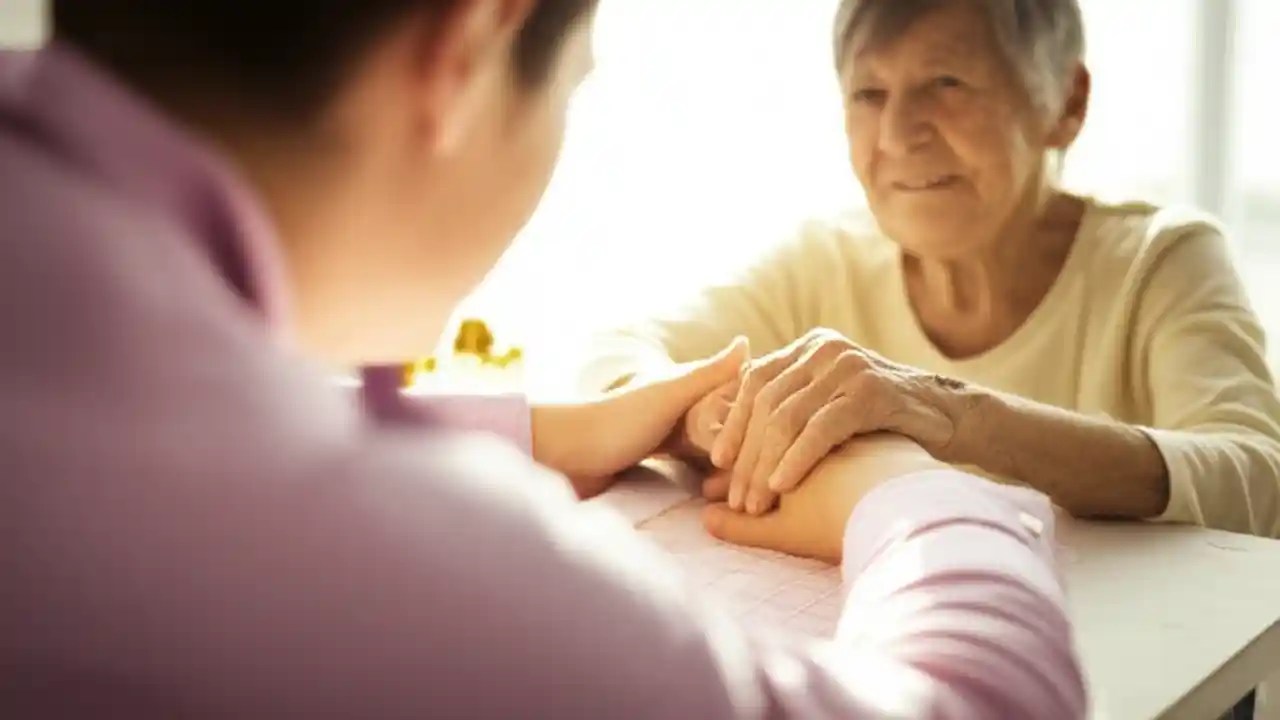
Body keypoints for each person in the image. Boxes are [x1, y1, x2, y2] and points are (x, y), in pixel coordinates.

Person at [1, 1, 1084, 717]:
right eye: (572, 84)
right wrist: (909, 487)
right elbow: (989, 703)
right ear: (466, 50)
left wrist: (540, 433)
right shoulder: (351, 539)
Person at [585, 0, 1280, 538]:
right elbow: (612, 358)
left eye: (946, 83)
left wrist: (952, 412)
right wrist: (704, 420)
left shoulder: (1161, 260)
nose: (897, 136)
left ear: (1067, 103)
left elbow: (1256, 477)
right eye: (868, 95)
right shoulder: (822, 261)